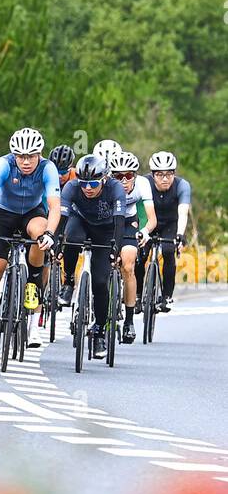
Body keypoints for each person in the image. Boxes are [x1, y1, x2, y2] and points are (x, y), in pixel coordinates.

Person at [0, 127, 60, 353]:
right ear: (14, 155)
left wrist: (50, 233)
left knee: (40, 234)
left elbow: (54, 206)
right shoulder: (4, 164)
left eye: (31, 156)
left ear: (39, 154)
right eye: (21, 156)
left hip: (32, 213)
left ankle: (32, 282)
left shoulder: (47, 168)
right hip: (3, 215)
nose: (26, 161)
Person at [57, 153, 131, 357]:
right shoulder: (71, 187)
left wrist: (115, 248)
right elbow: (61, 219)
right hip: (80, 222)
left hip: (106, 230)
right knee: (70, 239)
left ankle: (99, 331)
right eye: (84, 183)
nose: (88, 188)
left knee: (100, 282)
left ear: (104, 178)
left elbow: (119, 222)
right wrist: (56, 244)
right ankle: (69, 282)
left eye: (93, 183)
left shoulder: (115, 188)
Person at [111, 150, 154, 341]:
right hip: (107, 223)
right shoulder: (106, 184)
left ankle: (129, 321)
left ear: (135, 176)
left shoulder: (143, 184)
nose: (123, 180)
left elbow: (152, 218)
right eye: (118, 176)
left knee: (128, 265)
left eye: (128, 176)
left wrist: (144, 232)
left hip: (129, 222)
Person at [141, 150, 191, 312]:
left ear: (174, 174)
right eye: (160, 174)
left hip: (171, 224)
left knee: (169, 251)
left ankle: (167, 296)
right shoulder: (144, 183)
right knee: (140, 254)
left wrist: (180, 235)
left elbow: (183, 212)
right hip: (150, 222)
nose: (165, 179)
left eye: (169, 174)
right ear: (152, 174)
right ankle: (136, 295)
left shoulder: (182, 186)